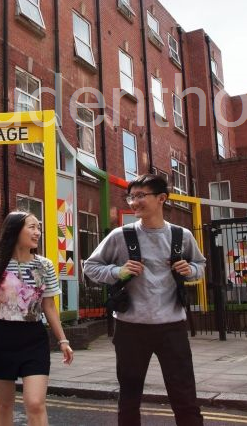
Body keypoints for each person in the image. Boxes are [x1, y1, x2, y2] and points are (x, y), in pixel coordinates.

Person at [83, 174, 206, 426]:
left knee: (184, 395)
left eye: (141, 196)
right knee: (129, 396)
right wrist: (118, 272)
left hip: (172, 326)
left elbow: (200, 265)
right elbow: (91, 267)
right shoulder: (121, 235)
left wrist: (189, 270)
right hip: (130, 327)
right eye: (132, 196)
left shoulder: (180, 236)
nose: (134, 202)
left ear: (161, 198)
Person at [0, 211, 73, 426]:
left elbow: (49, 306)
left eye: (38, 228)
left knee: (35, 403)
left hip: (34, 338)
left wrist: (63, 340)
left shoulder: (45, 265)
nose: (37, 232)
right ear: (15, 231)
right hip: (0, 337)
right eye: (31, 227)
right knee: (4, 404)